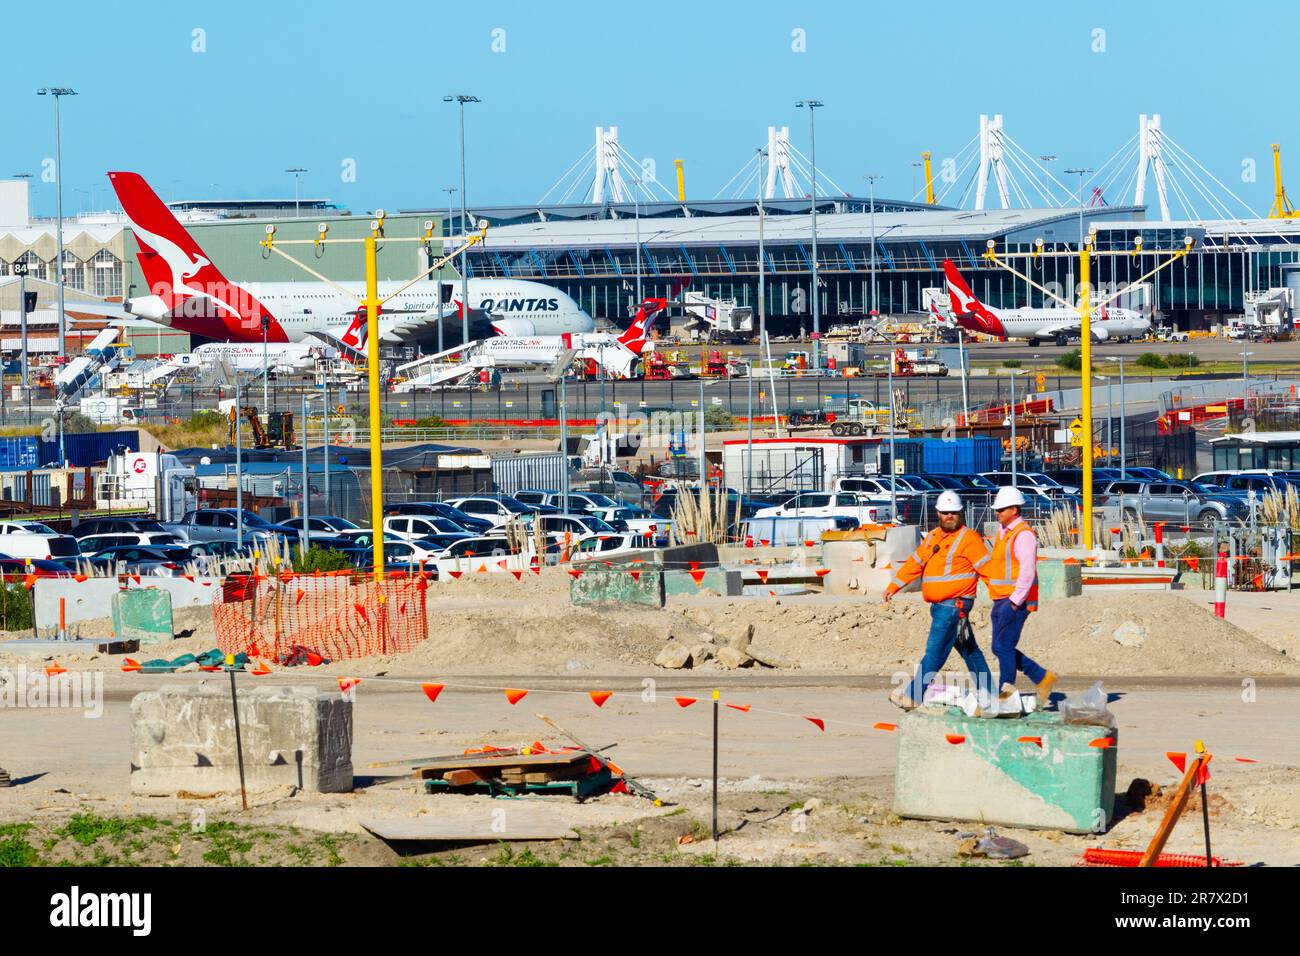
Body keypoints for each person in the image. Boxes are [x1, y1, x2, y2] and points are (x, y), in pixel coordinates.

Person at [884, 490, 994, 710]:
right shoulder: (933, 536)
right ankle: (991, 694)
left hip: (954, 606)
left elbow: (988, 570)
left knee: (934, 651)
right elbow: (915, 563)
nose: (949, 516)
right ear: (938, 513)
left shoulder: (969, 538)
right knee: (970, 652)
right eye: (945, 513)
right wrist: (894, 586)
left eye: (953, 512)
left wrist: (1003, 598)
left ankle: (913, 696)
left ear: (960, 513)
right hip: (940, 607)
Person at [977, 486, 1058, 705]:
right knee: (999, 646)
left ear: (1014, 509)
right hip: (1002, 598)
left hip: (1014, 600)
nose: (998, 512)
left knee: (1003, 646)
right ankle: (1042, 677)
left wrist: (1015, 600)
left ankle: (1007, 691)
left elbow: (1027, 570)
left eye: (1002, 509)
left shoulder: (1023, 535)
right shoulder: (1005, 532)